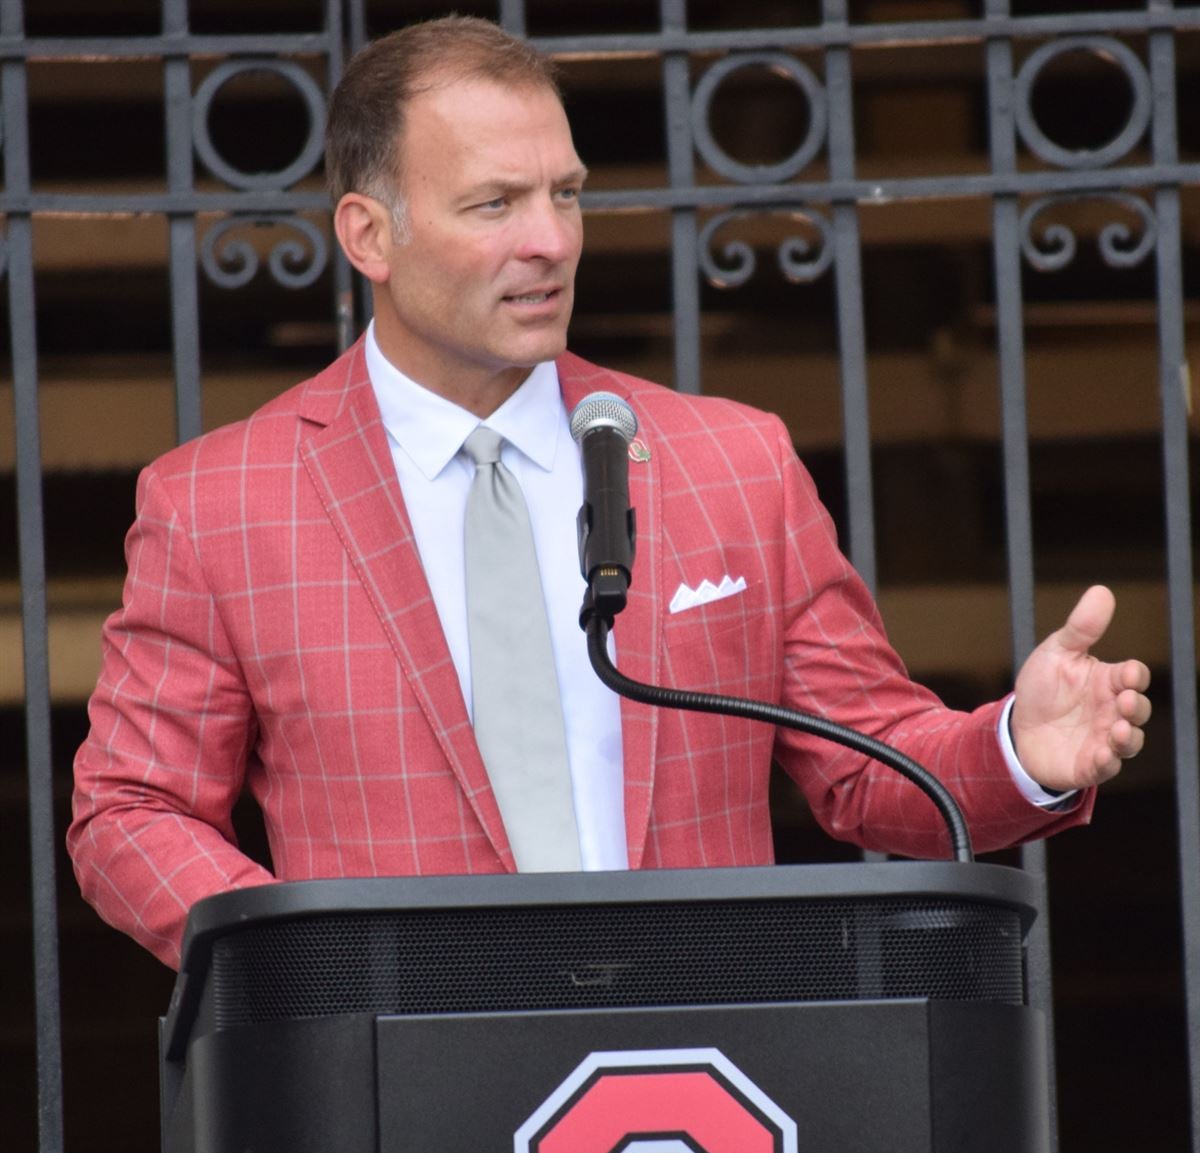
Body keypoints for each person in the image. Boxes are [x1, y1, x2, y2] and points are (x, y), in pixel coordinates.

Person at [67, 16, 1151, 969]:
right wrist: (304, 958)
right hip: (395, 1085)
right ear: (369, 236)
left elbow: (869, 767)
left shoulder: (733, 462)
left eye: (566, 194)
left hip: (706, 1070)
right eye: (494, 203)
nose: (549, 240)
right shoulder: (219, 504)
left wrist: (1018, 748)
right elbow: (129, 812)